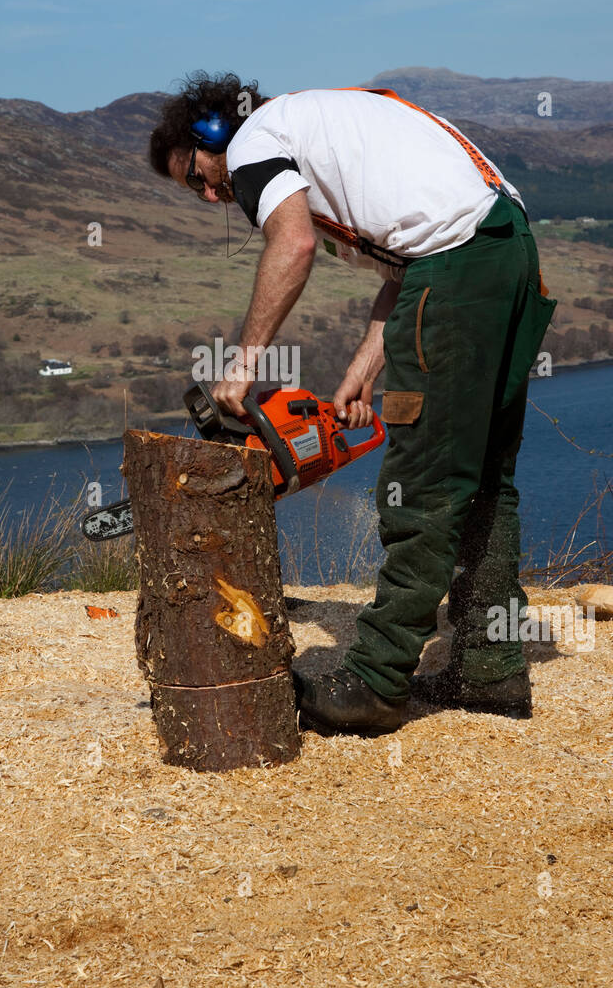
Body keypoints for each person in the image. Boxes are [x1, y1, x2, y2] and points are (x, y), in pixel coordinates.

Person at [148, 71, 556, 737]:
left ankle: (375, 682)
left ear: (214, 132)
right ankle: (491, 666)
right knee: (483, 477)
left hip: (458, 263)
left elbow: (294, 243)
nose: (211, 196)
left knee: (421, 482)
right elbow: (406, 268)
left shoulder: (254, 141)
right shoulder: (324, 128)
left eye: (197, 177)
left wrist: (243, 362)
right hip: (508, 250)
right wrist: (361, 374)